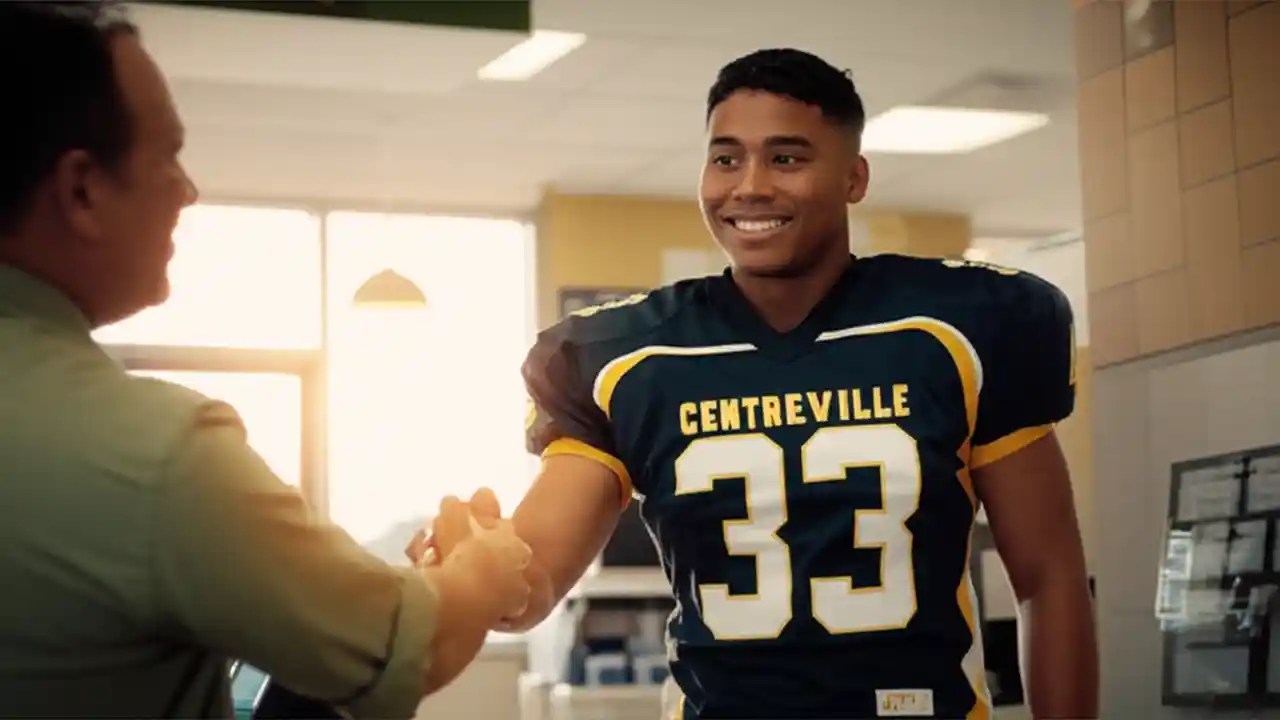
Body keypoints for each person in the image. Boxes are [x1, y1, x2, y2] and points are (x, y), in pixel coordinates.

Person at [427, 48, 1099, 719]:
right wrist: (482, 575)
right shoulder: (627, 357)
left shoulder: (960, 328)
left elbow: (1048, 576)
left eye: (786, 158)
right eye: (725, 158)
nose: (748, 185)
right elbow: (536, 580)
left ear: (853, 177)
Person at [0, 4, 531, 718]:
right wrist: (486, 567)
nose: (187, 191)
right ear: (82, 190)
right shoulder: (156, 455)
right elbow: (424, 644)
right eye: (167, 157)